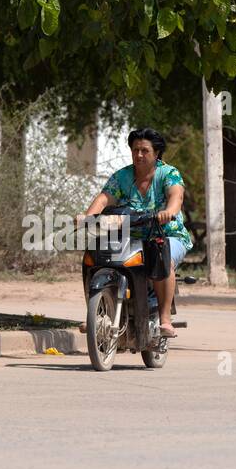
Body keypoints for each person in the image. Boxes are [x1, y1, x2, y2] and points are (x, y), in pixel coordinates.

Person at [79, 127, 193, 337]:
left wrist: (169, 212)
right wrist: (88, 217)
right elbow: (105, 198)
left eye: (144, 150)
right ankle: (95, 314)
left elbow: (176, 195)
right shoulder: (122, 176)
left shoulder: (168, 173)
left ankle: (165, 319)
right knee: (95, 258)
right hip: (129, 237)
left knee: (162, 258)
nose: (139, 155)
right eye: (135, 150)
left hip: (167, 234)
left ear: (156, 153)